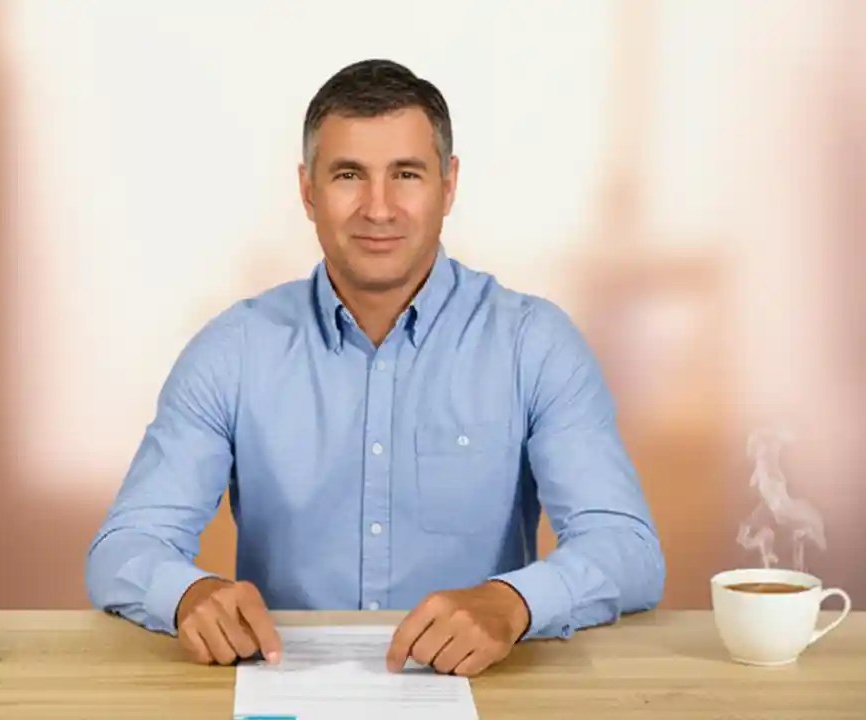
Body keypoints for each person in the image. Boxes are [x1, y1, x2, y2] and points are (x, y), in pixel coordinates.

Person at [86, 58, 665, 677]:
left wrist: (514, 602)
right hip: (285, 691)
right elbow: (126, 547)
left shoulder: (534, 344)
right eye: (348, 175)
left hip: (481, 694)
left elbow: (625, 549)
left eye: (407, 174)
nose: (379, 208)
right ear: (308, 191)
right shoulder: (234, 350)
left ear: (449, 183)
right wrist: (188, 596)